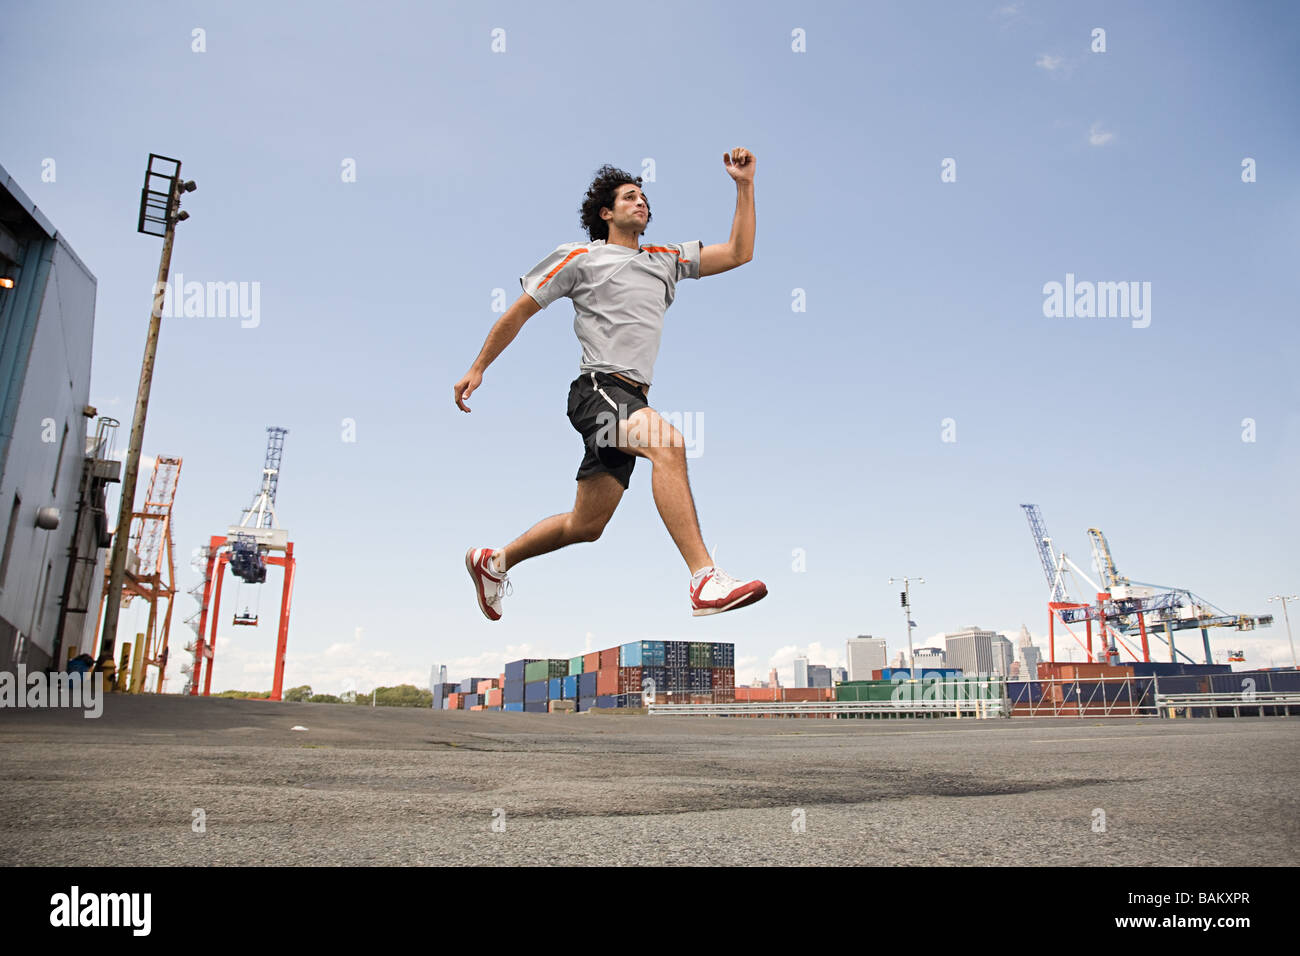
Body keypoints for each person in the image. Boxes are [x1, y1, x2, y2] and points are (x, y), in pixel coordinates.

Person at [454, 150, 767, 622]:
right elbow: (519, 311)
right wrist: (479, 367)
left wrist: (744, 186)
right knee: (668, 444)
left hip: (632, 399)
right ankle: (703, 578)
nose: (640, 203)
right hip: (597, 390)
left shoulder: (666, 258)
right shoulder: (581, 258)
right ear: (606, 212)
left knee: (587, 524)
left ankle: (494, 562)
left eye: (644, 197)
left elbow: (740, 252)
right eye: (629, 197)